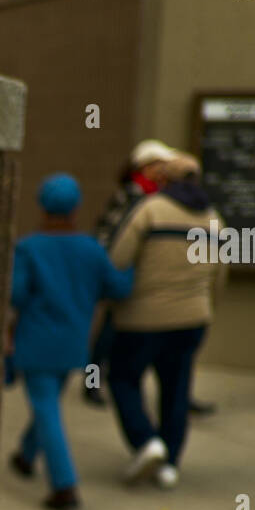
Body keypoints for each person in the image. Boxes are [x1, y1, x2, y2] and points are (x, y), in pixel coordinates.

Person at [9, 174, 134, 510]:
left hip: (36, 343)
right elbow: (118, 287)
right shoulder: (91, 249)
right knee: (47, 404)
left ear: (42, 207)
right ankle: (25, 454)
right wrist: (139, 265)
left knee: (46, 407)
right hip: (74, 345)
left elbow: (15, 295)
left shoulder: (29, 248)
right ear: (76, 209)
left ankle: (64, 486)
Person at [105, 153, 223, 489]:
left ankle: (145, 440)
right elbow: (220, 276)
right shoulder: (214, 219)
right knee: (176, 389)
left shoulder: (151, 210)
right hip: (192, 318)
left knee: (123, 379)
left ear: (165, 180)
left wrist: (115, 300)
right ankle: (170, 463)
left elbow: (118, 259)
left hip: (142, 318)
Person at [82, 139, 174, 408]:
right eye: (159, 165)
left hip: (142, 271)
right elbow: (108, 234)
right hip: (123, 270)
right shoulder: (131, 195)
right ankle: (92, 383)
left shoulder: (155, 196)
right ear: (145, 166)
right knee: (109, 331)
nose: (163, 171)